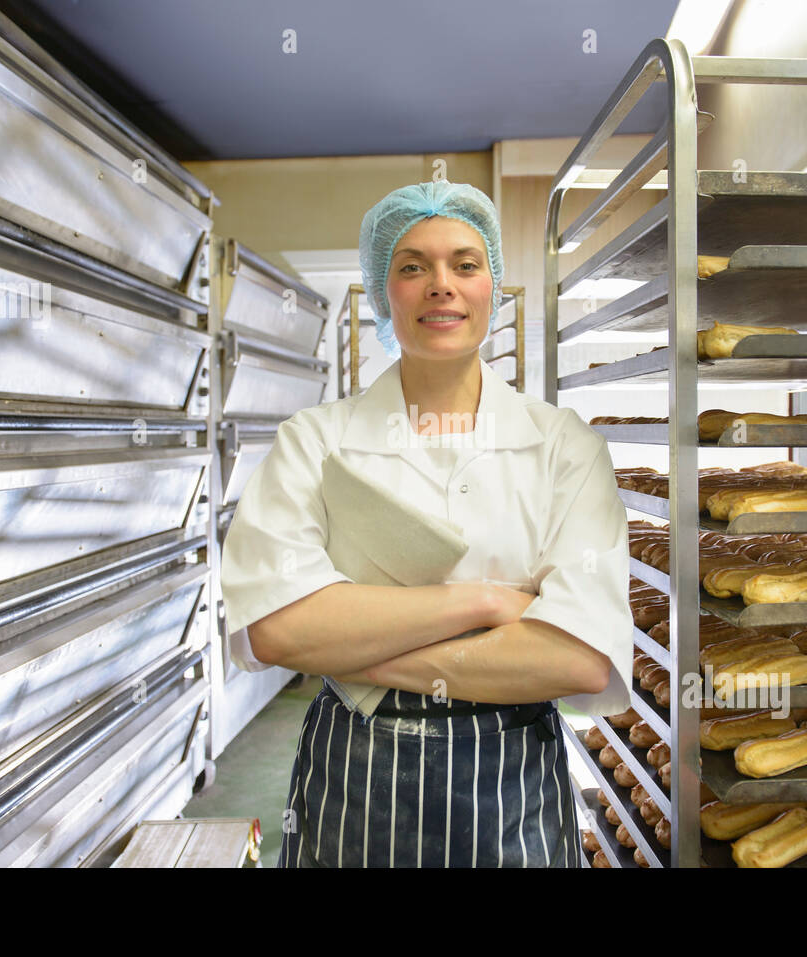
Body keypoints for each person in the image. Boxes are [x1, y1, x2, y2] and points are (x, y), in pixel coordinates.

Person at [219, 180, 632, 867]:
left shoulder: (564, 446)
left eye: (465, 264)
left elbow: (577, 658)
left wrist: (353, 648)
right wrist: (488, 602)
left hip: (512, 788)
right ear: (386, 295)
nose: (441, 284)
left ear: (492, 288)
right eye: (412, 266)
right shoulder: (315, 441)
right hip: (354, 778)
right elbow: (276, 628)